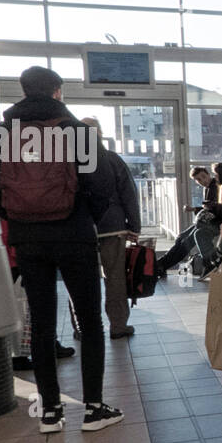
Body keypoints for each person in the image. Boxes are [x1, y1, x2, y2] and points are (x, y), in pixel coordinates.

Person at [0, 66, 124, 433]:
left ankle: (50, 412)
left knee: (42, 326)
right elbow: (102, 185)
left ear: (24, 91)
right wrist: (80, 215)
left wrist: (20, 216)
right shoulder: (76, 132)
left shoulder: (1, 134)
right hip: (74, 236)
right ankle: (93, 409)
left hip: (29, 241)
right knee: (90, 322)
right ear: (57, 92)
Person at [82, 117, 141, 339]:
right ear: (100, 133)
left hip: (82, 228)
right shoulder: (111, 159)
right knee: (114, 277)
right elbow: (128, 193)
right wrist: (134, 225)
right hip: (113, 227)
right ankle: (118, 325)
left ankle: (84, 327)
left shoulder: (71, 161)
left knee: (81, 280)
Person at [156, 165, 222, 276]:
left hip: (214, 222)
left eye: (203, 177)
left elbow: (217, 209)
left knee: (186, 241)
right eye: (198, 180)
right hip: (209, 221)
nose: (202, 181)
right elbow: (210, 209)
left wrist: (197, 208)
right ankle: (162, 263)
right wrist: (197, 209)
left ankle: (162, 264)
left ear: (208, 174)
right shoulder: (209, 188)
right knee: (182, 238)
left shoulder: (215, 187)